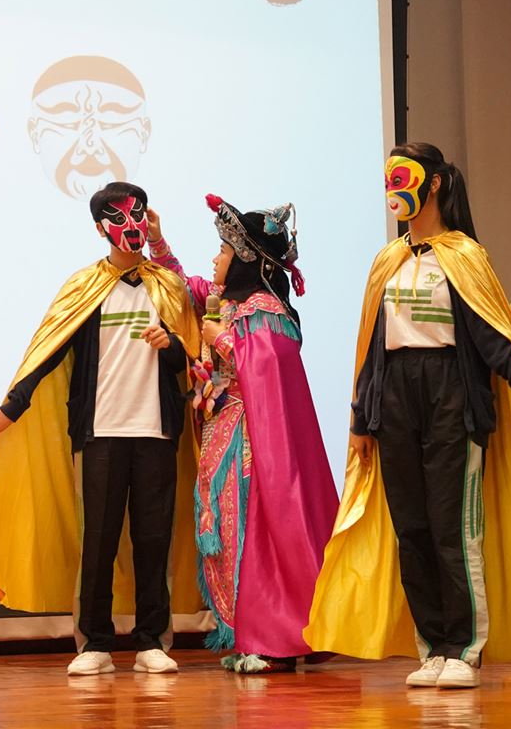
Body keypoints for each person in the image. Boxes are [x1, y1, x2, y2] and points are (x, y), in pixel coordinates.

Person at [304, 142, 511, 690]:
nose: (393, 190)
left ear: (433, 184)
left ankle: (463, 648)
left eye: (403, 177)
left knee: (454, 528)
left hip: (451, 393)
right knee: (412, 529)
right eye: (388, 179)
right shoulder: (388, 260)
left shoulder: (465, 256)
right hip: (395, 400)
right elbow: (370, 348)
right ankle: (431, 647)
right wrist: (360, 420)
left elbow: (493, 332)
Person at [0, 182, 201, 676]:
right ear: (101, 229)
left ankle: (152, 641)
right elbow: (49, 349)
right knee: (97, 540)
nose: (130, 226)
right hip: (99, 432)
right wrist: (14, 405)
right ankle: (94, 642)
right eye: (117, 218)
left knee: (153, 541)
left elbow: (193, 359)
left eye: (137, 214)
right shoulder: (84, 287)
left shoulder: (168, 287)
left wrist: (171, 345)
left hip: (157, 431)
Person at [147, 195, 339, 673]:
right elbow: (181, 284)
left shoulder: (265, 309)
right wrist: (157, 241)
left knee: (253, 532)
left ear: (246, 260)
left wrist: (223, 341)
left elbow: (269, 367)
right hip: (222, 429)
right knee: (225, 529)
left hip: (255, 439)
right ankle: (249, 634)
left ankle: (273, 638)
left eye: (223, 251)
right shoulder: (226, 303)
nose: (215, 259)